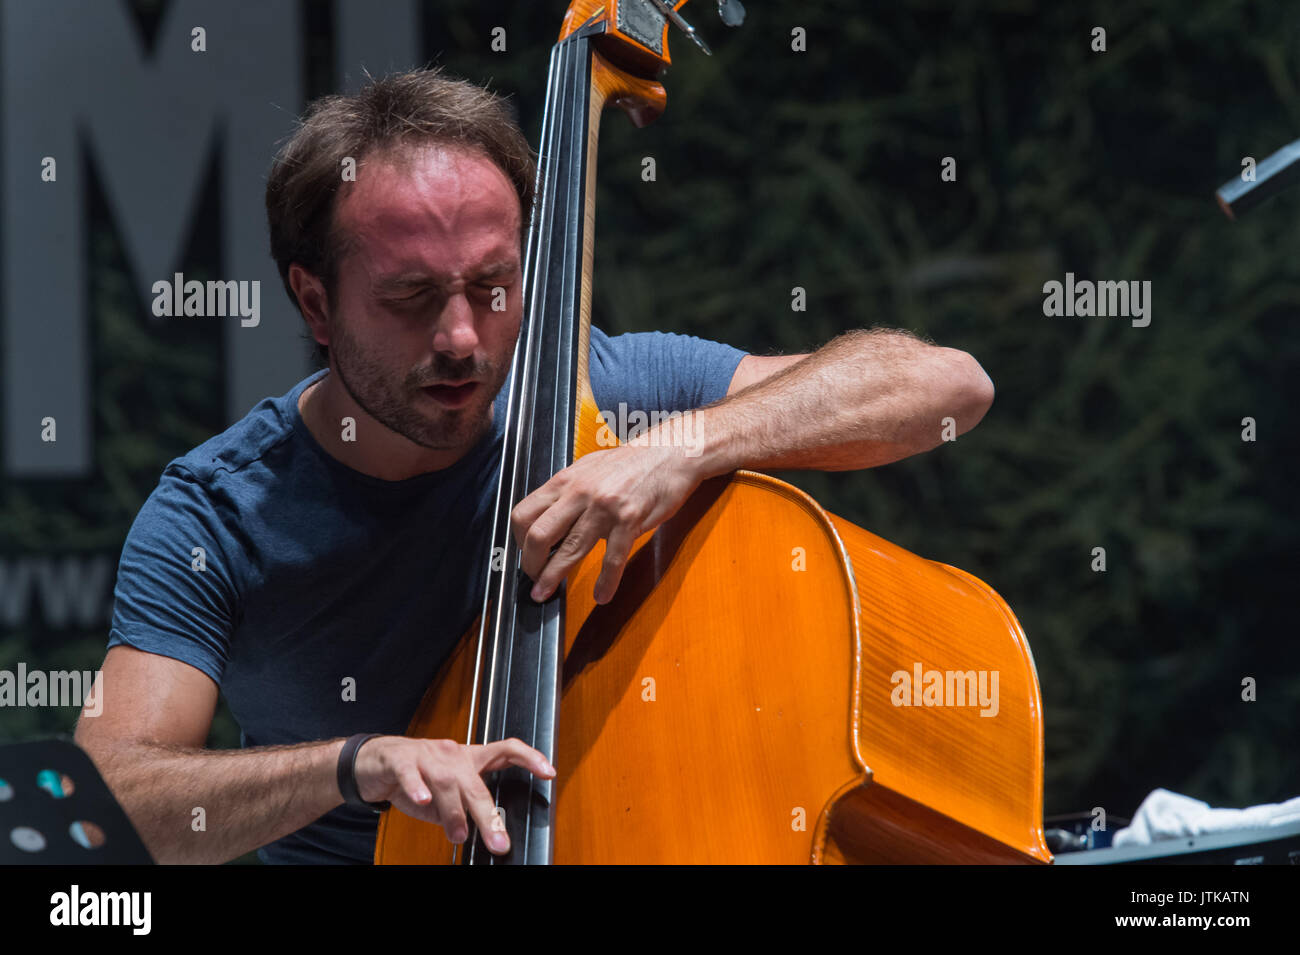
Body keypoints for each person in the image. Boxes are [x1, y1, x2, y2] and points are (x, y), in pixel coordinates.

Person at [74, 68, 995, 864]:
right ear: (315, 302)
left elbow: (946, 386)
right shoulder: (215, 516)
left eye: (493, 286)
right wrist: (358, 763)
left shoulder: (604, 395)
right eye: (412, 297)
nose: (464, 338)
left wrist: (684, 443)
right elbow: (105, 806)